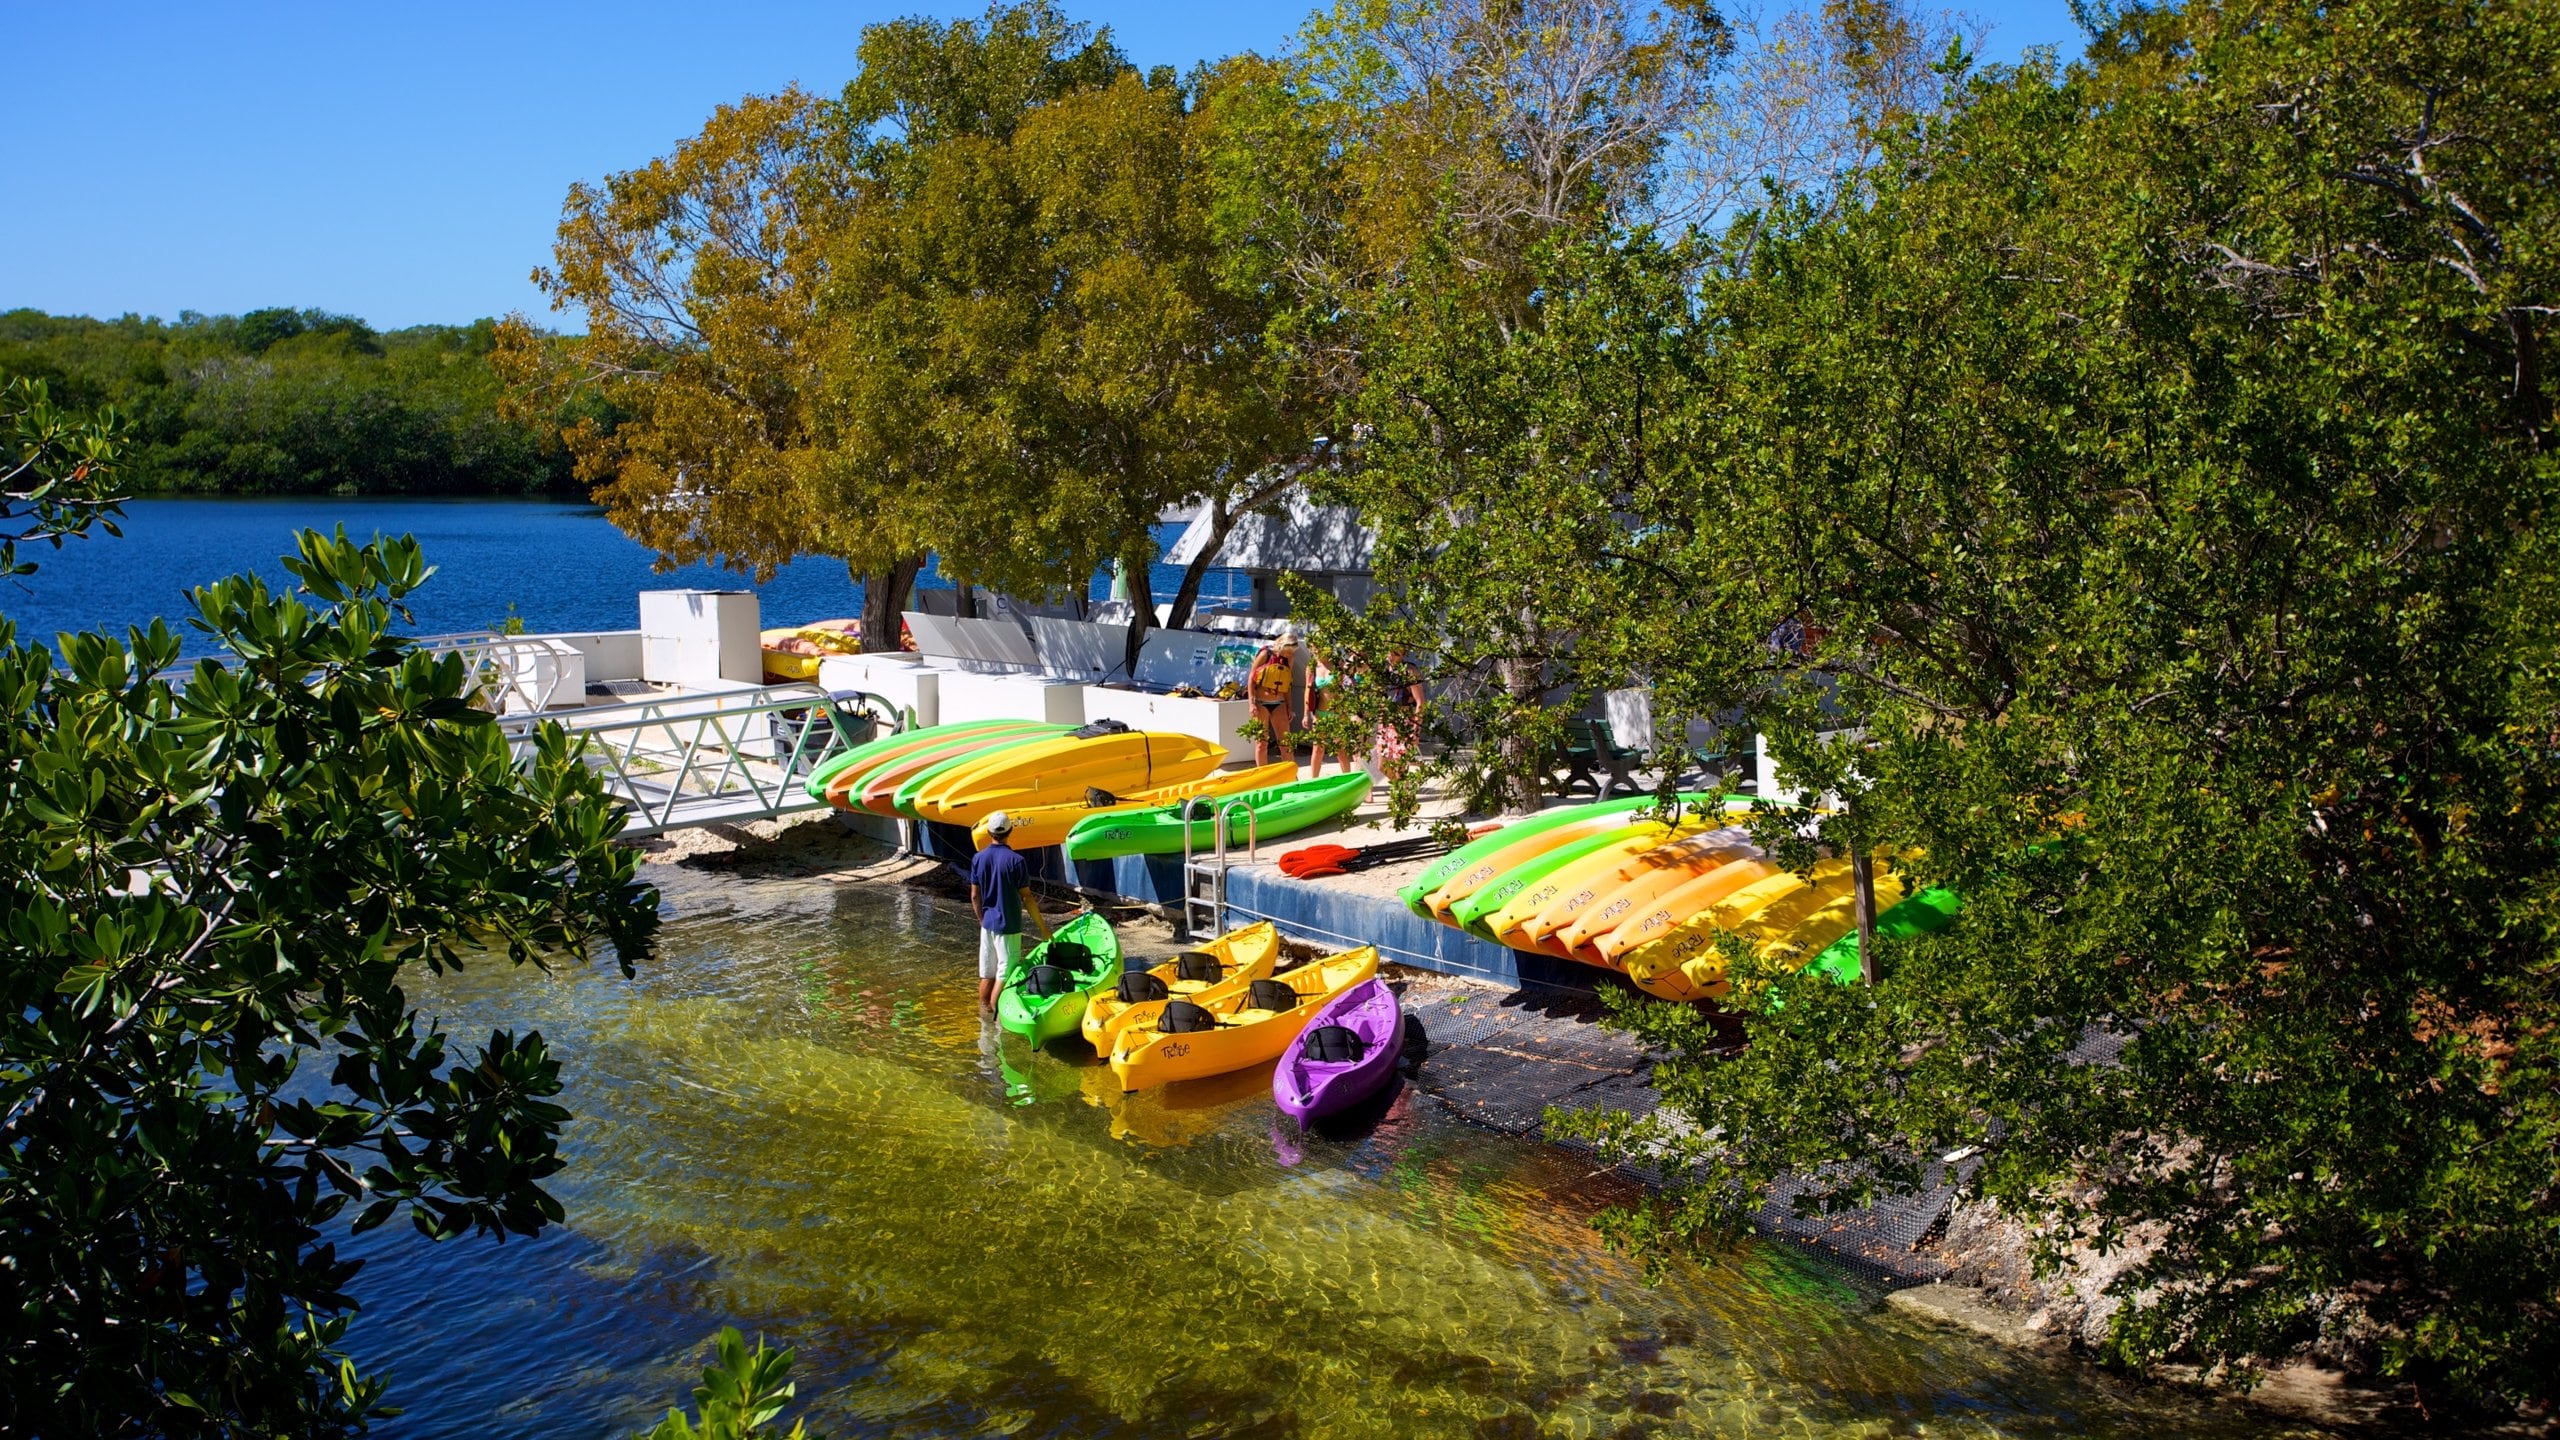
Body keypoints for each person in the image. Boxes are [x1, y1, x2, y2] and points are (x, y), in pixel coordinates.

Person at [966, 810, 1049, 1012]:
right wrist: (1043, 928)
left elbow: (975, 896)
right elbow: (1027, 898)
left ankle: (984, 1018)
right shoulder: (1016, 861)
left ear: (988, 832)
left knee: (987, 974)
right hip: (1008, 925)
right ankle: (996, 1019)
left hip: (987, 924)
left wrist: (981, 920)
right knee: (1005, 974)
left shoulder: (978, 858)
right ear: (1010, 831)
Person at [1247, 635, 1298, 769]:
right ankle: (1263, 776)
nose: (1290, 654)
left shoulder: (1290, 658)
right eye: (1288, 651)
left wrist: (1289, 707)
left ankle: (1290, 776)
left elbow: (1286, 684)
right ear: (1282, 645)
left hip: (1279, 703)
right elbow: (1251, 679)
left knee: (1286, 743)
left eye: (1292, 652)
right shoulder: (1265, 654)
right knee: (1261, 743)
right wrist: (1251, 704)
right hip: (1261, 702)